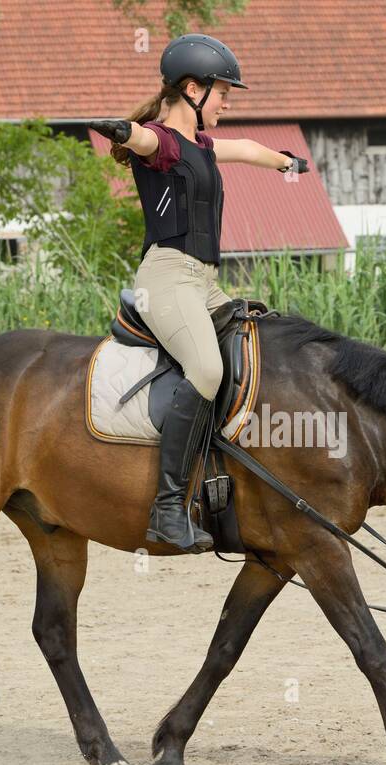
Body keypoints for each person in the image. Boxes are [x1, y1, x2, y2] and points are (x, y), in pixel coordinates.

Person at [90, 34, 308, 553]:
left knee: (261, 339)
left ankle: (229, 480)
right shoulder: (163, 143)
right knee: (207, 370)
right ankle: (166, 510)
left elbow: (249, 149)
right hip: (166, 279)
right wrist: (125, 131)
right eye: (223, 92)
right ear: (192, 90)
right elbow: (142, 142)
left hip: (205, 282)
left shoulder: (205, 146)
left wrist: (285, 163)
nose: (228, 102)